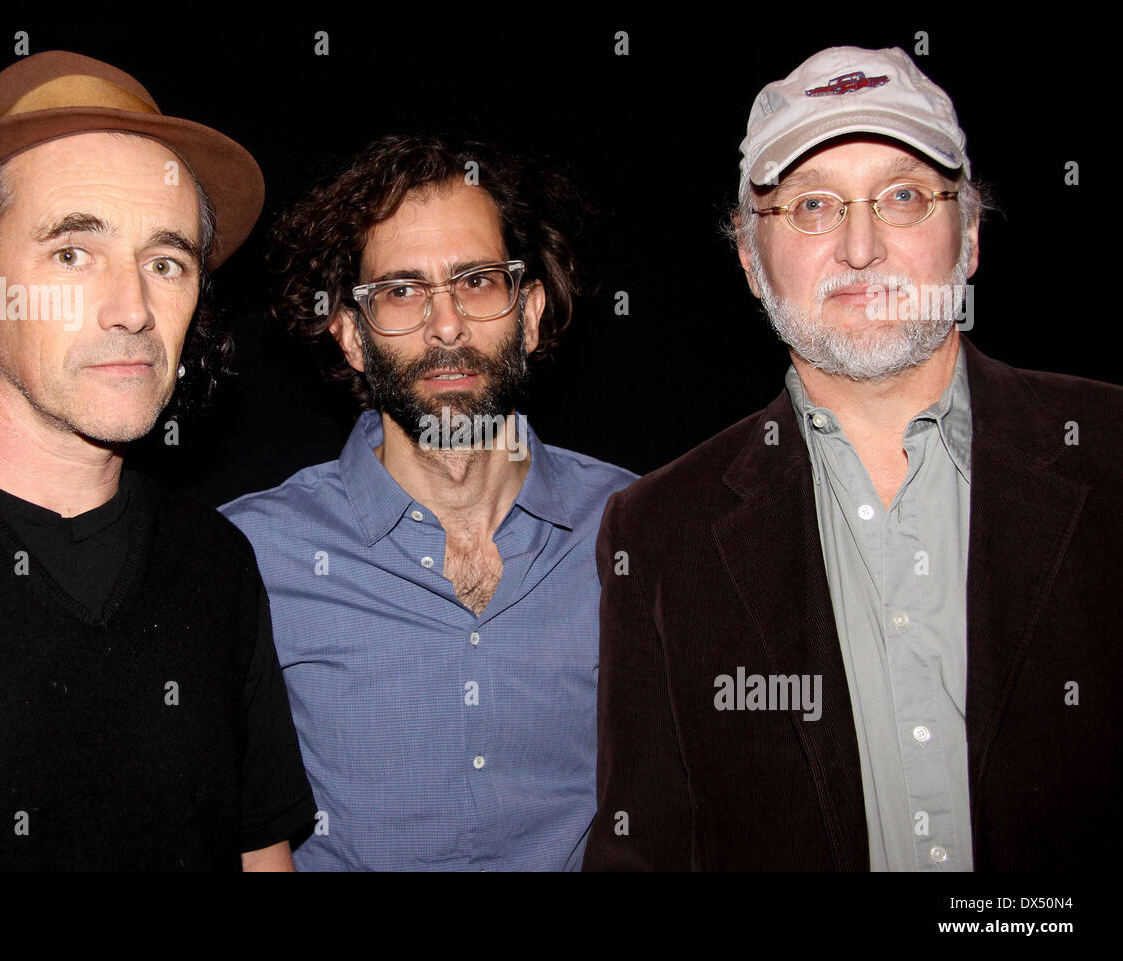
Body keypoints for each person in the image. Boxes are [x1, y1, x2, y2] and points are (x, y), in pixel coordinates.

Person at [584, 46, 1122, 871]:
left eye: (903, 197)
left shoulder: (1110, 453)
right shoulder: (659, 531)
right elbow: (644, 853)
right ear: (750, 262)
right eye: (812, 206)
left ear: (969, 237)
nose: (861, 246)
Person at [0, 51, 315, 870]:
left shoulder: (216, 562)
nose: (133, 310)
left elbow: (260, 854)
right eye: (73, 253)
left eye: (166, 263)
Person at [222, 134, 637, 870]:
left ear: (530, 312)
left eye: (476, 280)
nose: (445, 326)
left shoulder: (635, 530)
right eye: (402, 292)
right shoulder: (247, 557)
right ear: (351, 334)